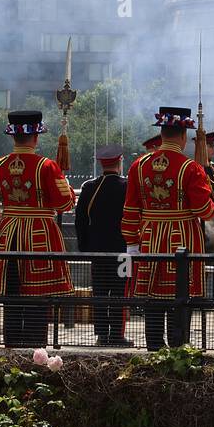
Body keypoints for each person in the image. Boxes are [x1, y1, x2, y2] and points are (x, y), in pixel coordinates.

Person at [120, 106, 214, 350]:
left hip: (150, 237)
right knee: (181, 297)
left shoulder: (139, 166)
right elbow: (206, 211)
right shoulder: (191, 168)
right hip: (183, 238)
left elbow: (130, 211)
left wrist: (132, 244)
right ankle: (178, 350)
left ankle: (154, 349)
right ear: (184, 136)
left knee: (152, 300)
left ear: (161, 133)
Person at [0, 111, 76, 348]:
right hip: (40, 236)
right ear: (36, 136)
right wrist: (68, 189)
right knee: (37, 301)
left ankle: (11, 349)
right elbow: (65, 203)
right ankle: (35, 354)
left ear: (14, 137)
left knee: (11, 301)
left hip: (9, 235)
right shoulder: (46, 166)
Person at [75, 145, 130, 346]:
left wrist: (85, 247)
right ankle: (116, 334)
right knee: (119, 292)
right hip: (123, 250)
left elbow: (80, 221)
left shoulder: (89, 187)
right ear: (120, 162)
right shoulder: (127, 186)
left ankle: (102, 335)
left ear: (101, 163)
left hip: (97, 250)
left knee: (99, 292)